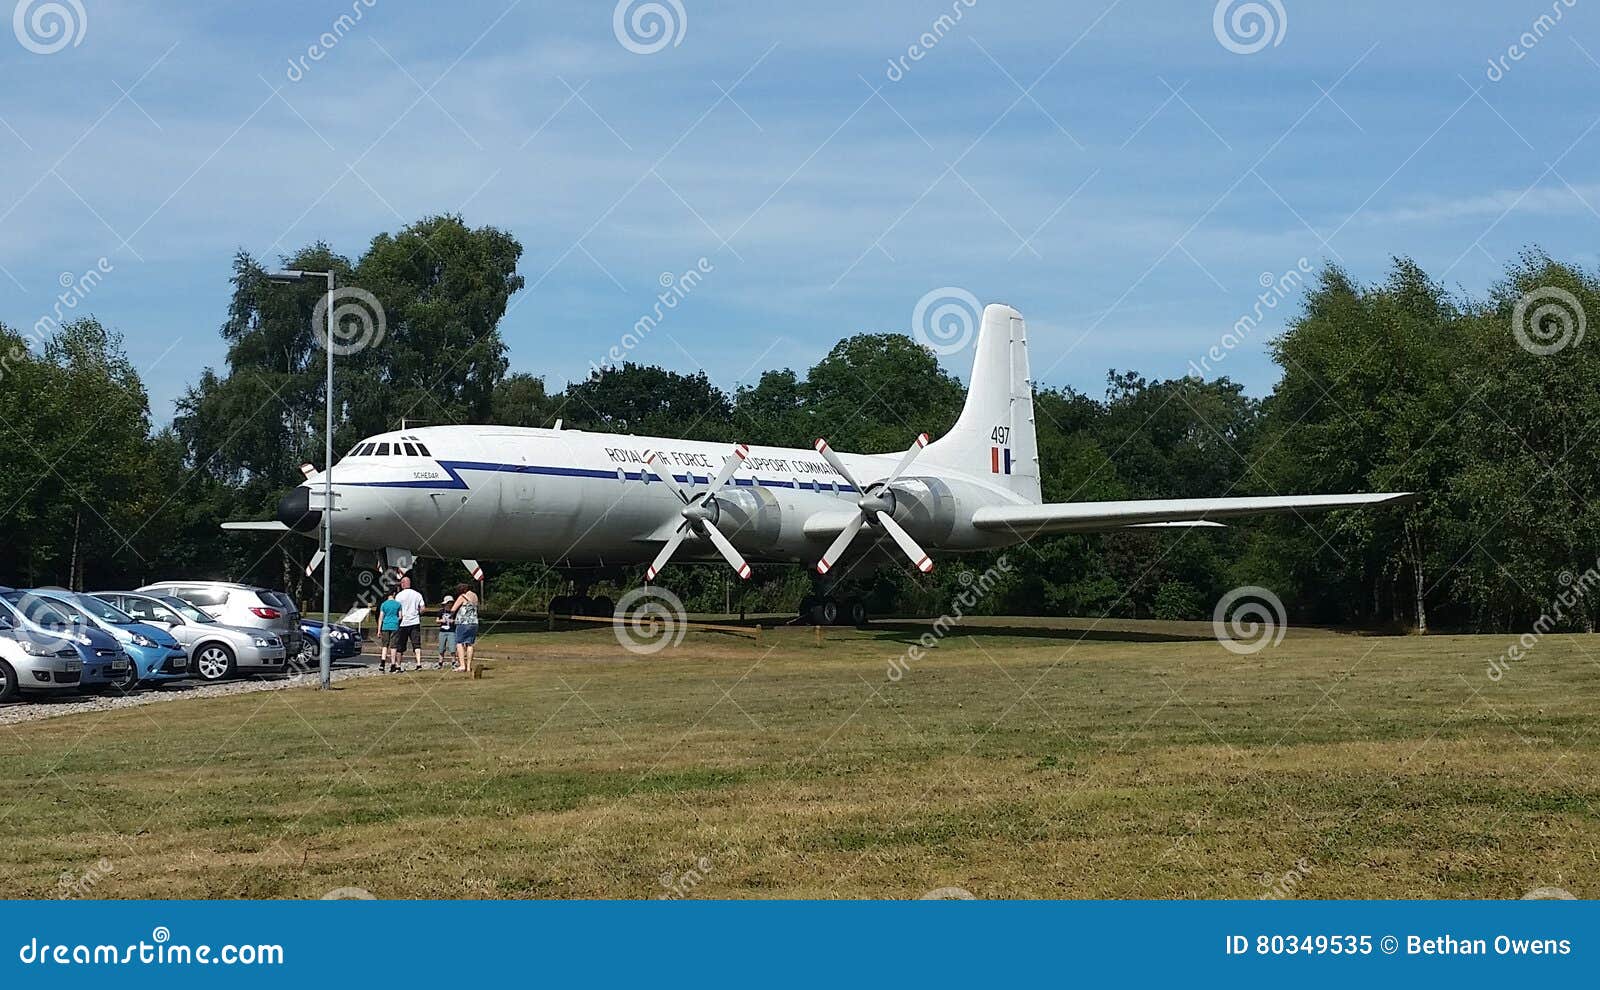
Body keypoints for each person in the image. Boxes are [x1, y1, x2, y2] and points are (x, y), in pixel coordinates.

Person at [395, 574, 426, 671]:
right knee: (416, 644)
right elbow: (423, 608)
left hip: (403, 622)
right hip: (414, 622)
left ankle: (398, 665)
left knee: (400, 645)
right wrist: (418, 614)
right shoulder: (417, 594)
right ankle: (419, 663)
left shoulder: (399, 596)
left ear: (403, 584)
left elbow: (396, 609)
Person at [452, 583, 479, 674]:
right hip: (474, 622)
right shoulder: (475, 596)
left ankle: (462, 665)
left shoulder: (462, 597)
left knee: (459, 643)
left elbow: (453, 609)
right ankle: (468, 666)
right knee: (470, 644)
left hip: (463, 623)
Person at [377, 591, 401, 672]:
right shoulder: (398, 604)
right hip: (394, 626)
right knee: (393, 646)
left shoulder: (383, 604)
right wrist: (396, 620)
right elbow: (400, 616)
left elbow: (380, 617)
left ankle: (382, 663)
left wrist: (379, 630)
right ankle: (393, 664)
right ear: (394, 594)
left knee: (385, 645)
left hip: (385, 626)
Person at [436, 594, 455, 670]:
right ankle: (440, 662)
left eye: (450, 603)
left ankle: (454, 661)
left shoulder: (454, 612)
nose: (449, 605)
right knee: (441, 647)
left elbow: (457, 621)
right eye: (448, 603)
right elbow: (437, 620)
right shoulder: (441, 612)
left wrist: (452, 621)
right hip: (442, 631)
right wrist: (441, 620)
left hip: (451, 631)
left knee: (452, 647)